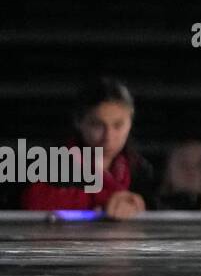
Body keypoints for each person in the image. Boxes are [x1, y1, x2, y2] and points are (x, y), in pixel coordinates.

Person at [21, 77, 154, 218]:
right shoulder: (51, 164)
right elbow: (34, 204)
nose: (108, 136)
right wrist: (106, 200)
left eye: (118, 125)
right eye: (97, 125)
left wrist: (138, 204)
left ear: (130, 123)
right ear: (79, 122)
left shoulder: (140, 170)